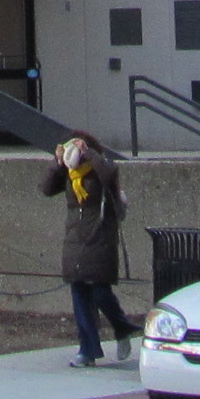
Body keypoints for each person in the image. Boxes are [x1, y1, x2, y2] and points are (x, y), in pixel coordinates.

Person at [41, 128, 133, 367]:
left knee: (100, 291)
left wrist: (88, 152)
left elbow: (110, 172)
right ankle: (88, 350)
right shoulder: (71, 176)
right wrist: (58, 162)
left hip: (100, 237)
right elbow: (46, 188)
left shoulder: (100, 171)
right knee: (79, 292)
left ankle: (121, 326)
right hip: (75, 240)